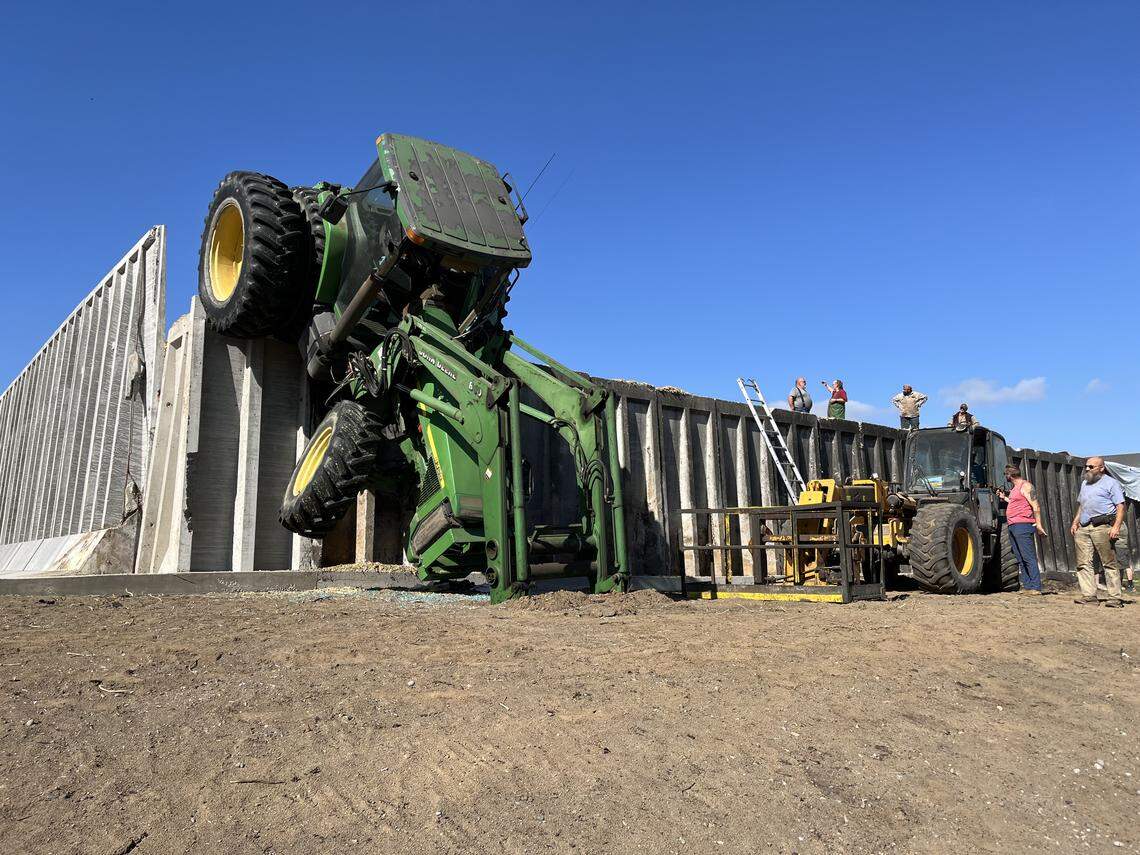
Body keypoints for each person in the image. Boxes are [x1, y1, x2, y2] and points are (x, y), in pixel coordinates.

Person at [1070, 456, 1126, 607]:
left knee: (1108, 562)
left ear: (1101, 468)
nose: (1087, 469)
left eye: (1091, 467)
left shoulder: (1111, 483)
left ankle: (1114, 597)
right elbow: (1082, 505)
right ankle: (1089, 596)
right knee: (1083, 563)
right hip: (1084, 527)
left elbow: (1120, 506)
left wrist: (1116, 527)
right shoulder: (1085, 483)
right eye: (1086, 466)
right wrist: (1075, 522)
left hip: (1102, 526)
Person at [997, 464, 1046, 594]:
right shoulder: (1014, 489)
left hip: (1023, 525)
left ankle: (1036, 587)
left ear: (1010, 475)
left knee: (1028, 556)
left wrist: (1039, 525)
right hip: (1013, 525)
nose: (1005, 477)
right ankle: (1028, 586)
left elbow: (1036, 506)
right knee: (1019, 556)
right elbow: (1016, 503)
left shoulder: (1026, 486)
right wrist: (1004, 498)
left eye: (1006, 474)